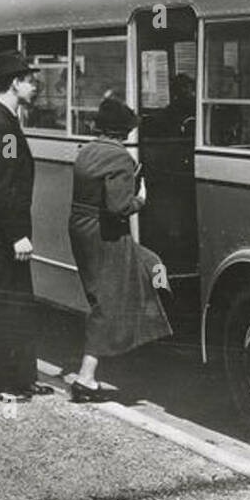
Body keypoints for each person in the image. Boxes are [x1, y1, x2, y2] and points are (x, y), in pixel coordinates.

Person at [66, 96, 174, 401]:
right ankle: (86, 377)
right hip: (106, 234)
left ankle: (150, 332)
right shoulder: (121, 158)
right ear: (123, 132)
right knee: (109, 300)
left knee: (148, 265)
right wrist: (140, 196)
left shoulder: (86, 150)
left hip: (82, 229)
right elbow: (118, 207)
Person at [0, 50, 50, 400]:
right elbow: (2, 187)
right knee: (2, 304)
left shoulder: (0, 120)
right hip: (6, 233)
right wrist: (16, 235)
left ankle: (19, 378)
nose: (35, 86)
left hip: (6, 230)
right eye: (30, 80)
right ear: (15, 83)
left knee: (17, 303)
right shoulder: (0, 128)